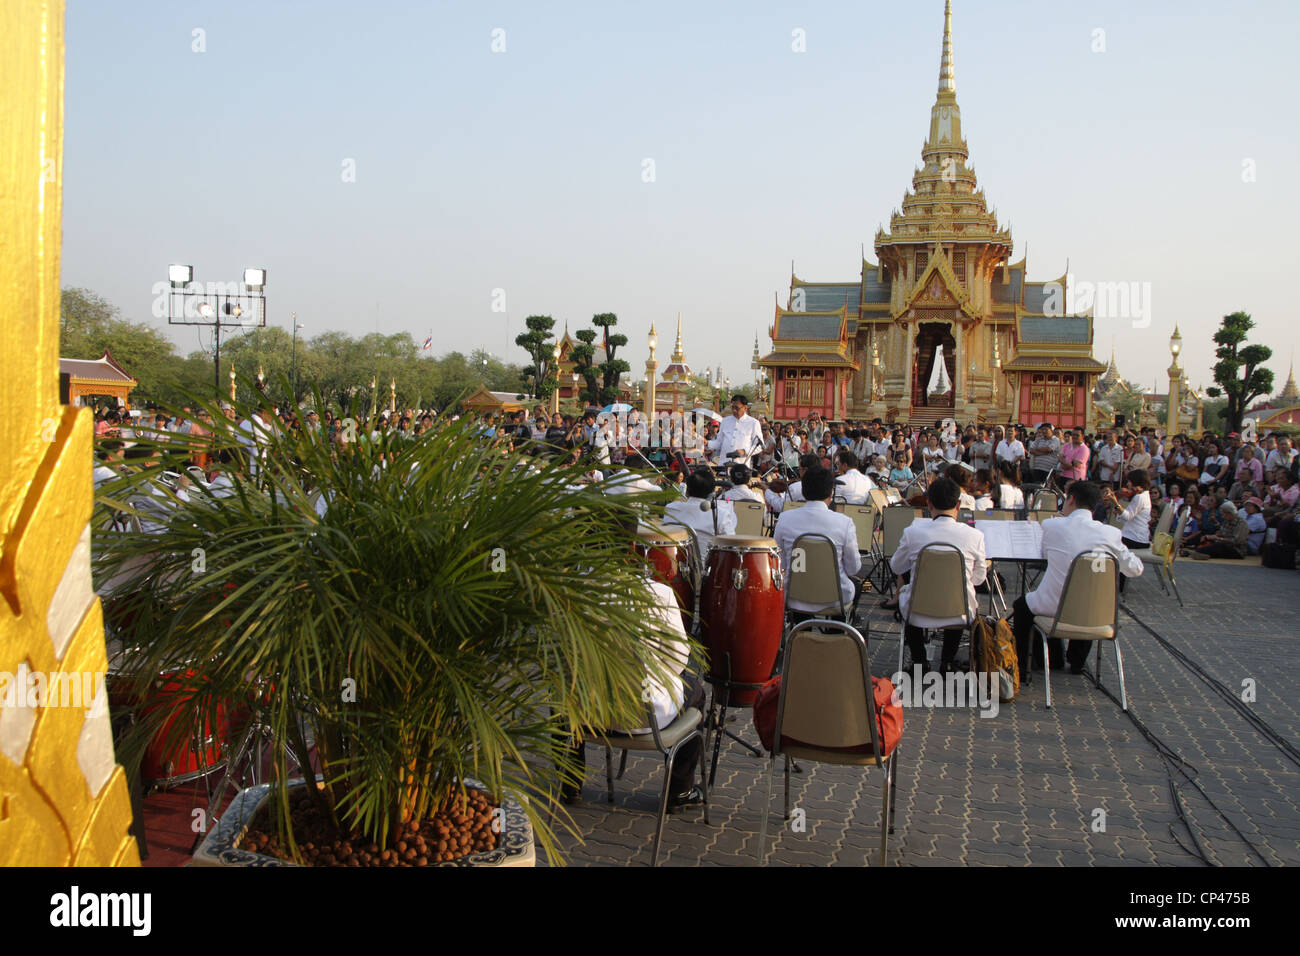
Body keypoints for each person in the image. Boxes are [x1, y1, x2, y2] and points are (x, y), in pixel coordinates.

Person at [561, 568, 704, 810]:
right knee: (696, 690)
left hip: (587, 714)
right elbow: (677, 659)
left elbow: (565, 660)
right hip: (646, 714)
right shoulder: (660, 594)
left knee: (560, 694)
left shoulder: (573, 592)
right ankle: (680, 791)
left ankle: (570, 785)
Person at [1010, 481, 1142, 677]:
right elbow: (1135, 569)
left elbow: (1043, 553)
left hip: (1055, 606)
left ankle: (1033, 662)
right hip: (1096, 614)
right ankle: (1077, 661)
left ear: (1071, 499)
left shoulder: (1052, 525)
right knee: (1088, 593)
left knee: (1022, 606)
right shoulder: (1111, 533)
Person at [889, 477, 987, 675]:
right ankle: (948, 662)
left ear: (929, 503)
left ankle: (919, 662)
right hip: (959, 612)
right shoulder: (974, 535)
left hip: (918, 611)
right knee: (959, 594)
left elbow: (896, 566)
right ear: (958, 504)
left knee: (907, 596)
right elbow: (979, 579)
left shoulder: (913, 532)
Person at [772, 466, 861, 624]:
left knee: (800, 582)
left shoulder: (785, 519)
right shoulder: (844, 523)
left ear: (804, 492)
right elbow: (853, 568)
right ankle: (836, 632)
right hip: (835, 599)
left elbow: (781, 563)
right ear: (831, 493)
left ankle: (799, 632)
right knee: (856, 584)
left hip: (794, 596)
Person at [664, 468, 736, 561]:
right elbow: (731, 547)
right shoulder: (721, 514)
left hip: (674, 566)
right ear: (712, 493)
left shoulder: (671, 508)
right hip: (706, 570)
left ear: (687, 490)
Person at [707, 394, 764, 468]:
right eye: (732, 407)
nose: (734, 410)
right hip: (724, 464)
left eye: (737, 408)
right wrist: (707, 443)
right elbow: (719, 443)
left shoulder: (753, 423)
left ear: (745, 408)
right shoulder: (725, 421)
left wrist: (744, 451)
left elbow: (759, 446)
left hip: (741, 465)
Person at [1104, 469, 1152, 550]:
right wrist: (1118, 513)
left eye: (1129, 481)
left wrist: (1115, 502)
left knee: (1105, 540)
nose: (1127, 484)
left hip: (1134, 538)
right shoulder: (1145, 495)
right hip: (1138, 537)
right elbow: (1128, 518)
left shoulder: (1139, 497)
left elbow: (1127, 517)